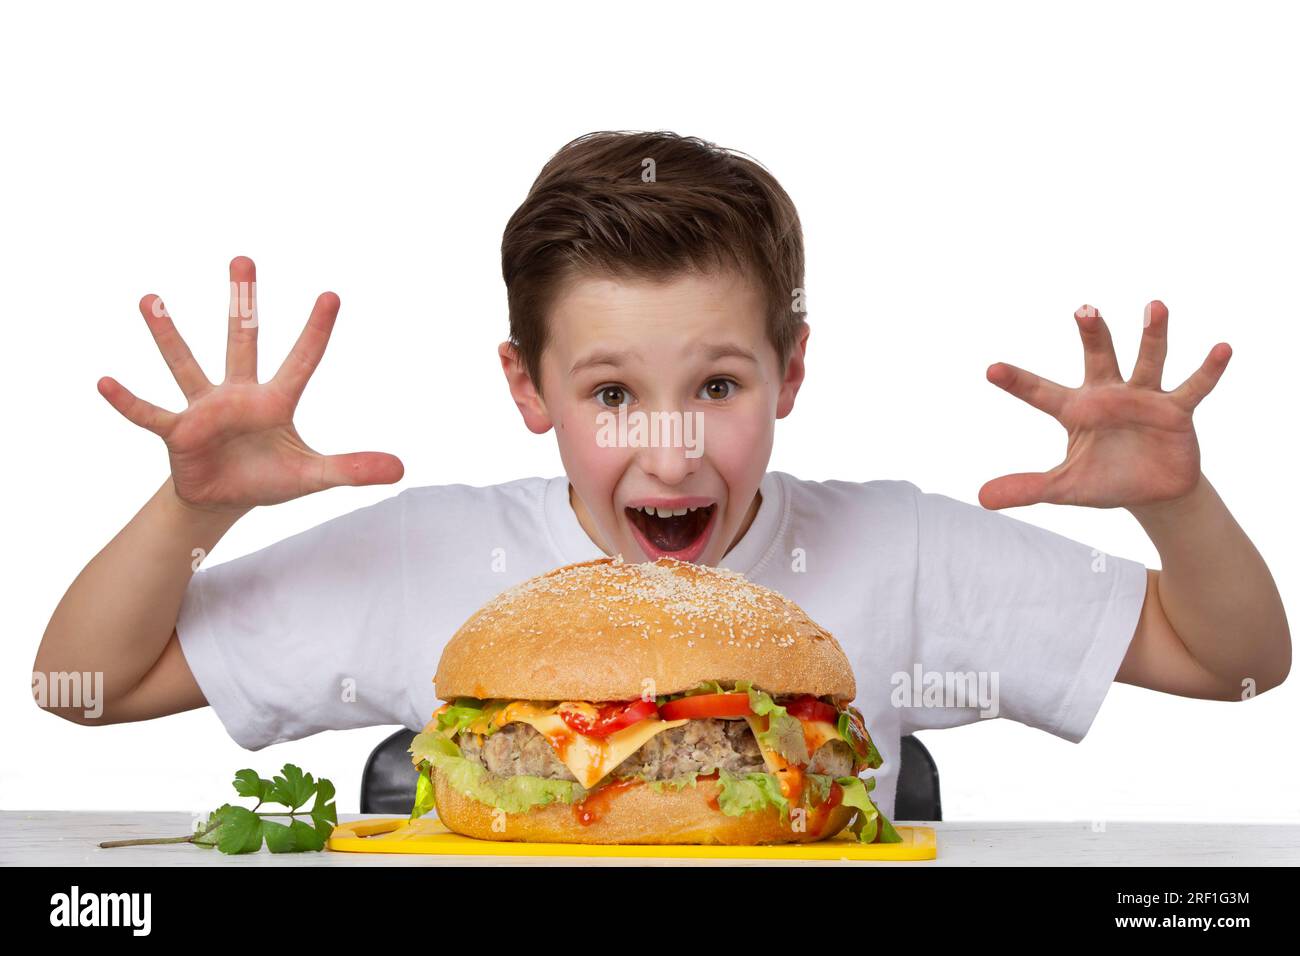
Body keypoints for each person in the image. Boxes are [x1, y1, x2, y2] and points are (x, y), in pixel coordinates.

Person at [34, 131, 1290, 820]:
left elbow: (1232, 661)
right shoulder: (420, 553)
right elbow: (80, 687)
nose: (674, 447)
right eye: (613, 393)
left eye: (720, 384)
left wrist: (1172, 503)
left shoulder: (900, 550)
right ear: (529, 391)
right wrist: (192, 513)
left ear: (791, 372)